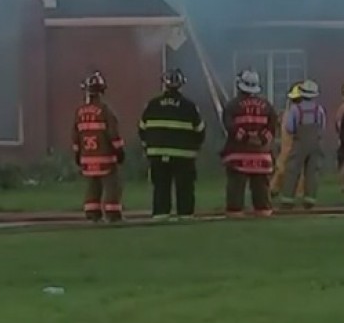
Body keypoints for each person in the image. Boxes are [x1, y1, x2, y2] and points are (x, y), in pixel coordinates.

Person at [138, 68, 206, 219]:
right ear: (181, 85)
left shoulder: (152, 105)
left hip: (157, 154)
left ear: (164, 84)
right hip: (184, 156)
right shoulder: (189, 106)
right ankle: (185, 215)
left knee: (160, 186)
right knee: (185, 187)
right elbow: (200, 131)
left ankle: (161, 215)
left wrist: (147, 146)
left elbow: (142, 129)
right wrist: (195, 147)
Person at [221, 69, 279, 217]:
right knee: (261, 188)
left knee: (236, 187)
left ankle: (235, 212)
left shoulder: (232, 105)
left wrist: (246, 138)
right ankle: (263, 211)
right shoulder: (267, 106)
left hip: (237, 155)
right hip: (261, 155)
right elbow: (273, 127)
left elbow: (230, 127)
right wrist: (261, 140)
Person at [72, 71, 126, 223]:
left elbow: (75, 136)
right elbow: (113, 134)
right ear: (102, 91)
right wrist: (119, 151)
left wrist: (77, 154)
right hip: (105, 157)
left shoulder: (79, 112)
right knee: (112, 186)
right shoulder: (105, 111)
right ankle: (113, 215)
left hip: (87, 158)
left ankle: (92, 214)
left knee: (92, 187)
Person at [279, 79, 326, 210]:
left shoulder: (295, 109)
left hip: (299, 142)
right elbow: (322, 127)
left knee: (292, 170)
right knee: (312, 171)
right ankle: (310, 199)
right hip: (315, 143)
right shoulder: (319, 109)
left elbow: (289, 128)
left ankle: (288, 199)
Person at [270, 82, 304, 199]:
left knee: (293, 169)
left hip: (295, 146)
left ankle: (294, 192)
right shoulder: (289, 113)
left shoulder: (294, 112)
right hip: (289, 146)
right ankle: (275, 189)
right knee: (283, 168)